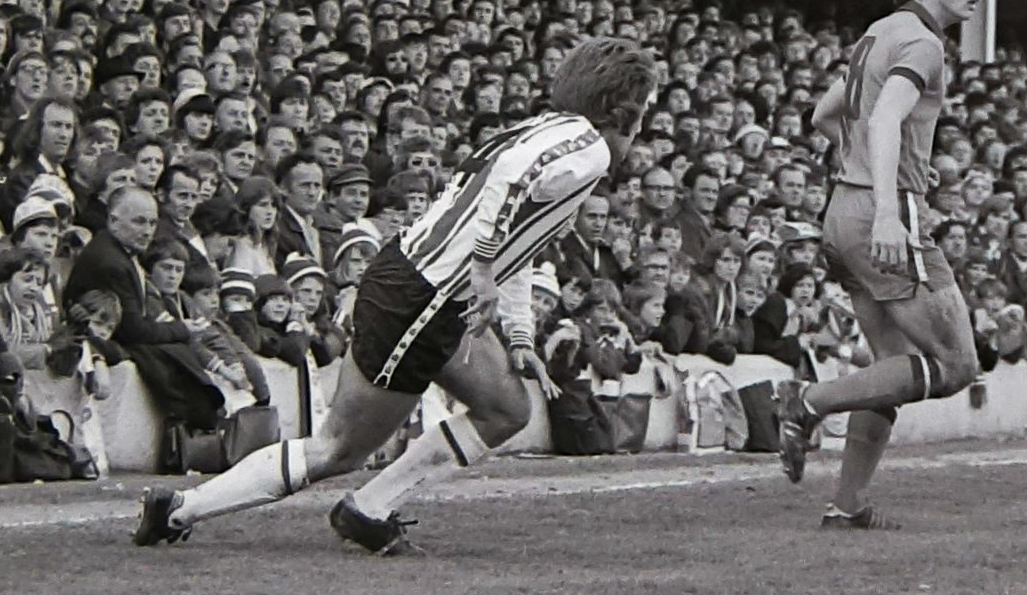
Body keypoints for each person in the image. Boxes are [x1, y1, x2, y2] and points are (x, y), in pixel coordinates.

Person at [132, 37, 659, 554]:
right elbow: (509, 182)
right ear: (621, 110)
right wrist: (479, 266)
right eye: (641, 115)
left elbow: (518, 237)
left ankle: (368, 511)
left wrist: (519, 335)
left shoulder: (540, 131)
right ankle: (179, 508)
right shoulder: (587, 146)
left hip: (425, 288)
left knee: (506, 409)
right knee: (337, 448)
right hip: (423, 296)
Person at [776, 0, 986, 529]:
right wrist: (893, 205)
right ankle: (806, 401)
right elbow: (886, 119)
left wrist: (892, 168)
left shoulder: (879, 32)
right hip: (878, 214)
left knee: (889, 367)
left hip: (842, 209)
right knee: (955, 365)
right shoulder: (923, 43)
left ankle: (847, 506)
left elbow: (824, 114)